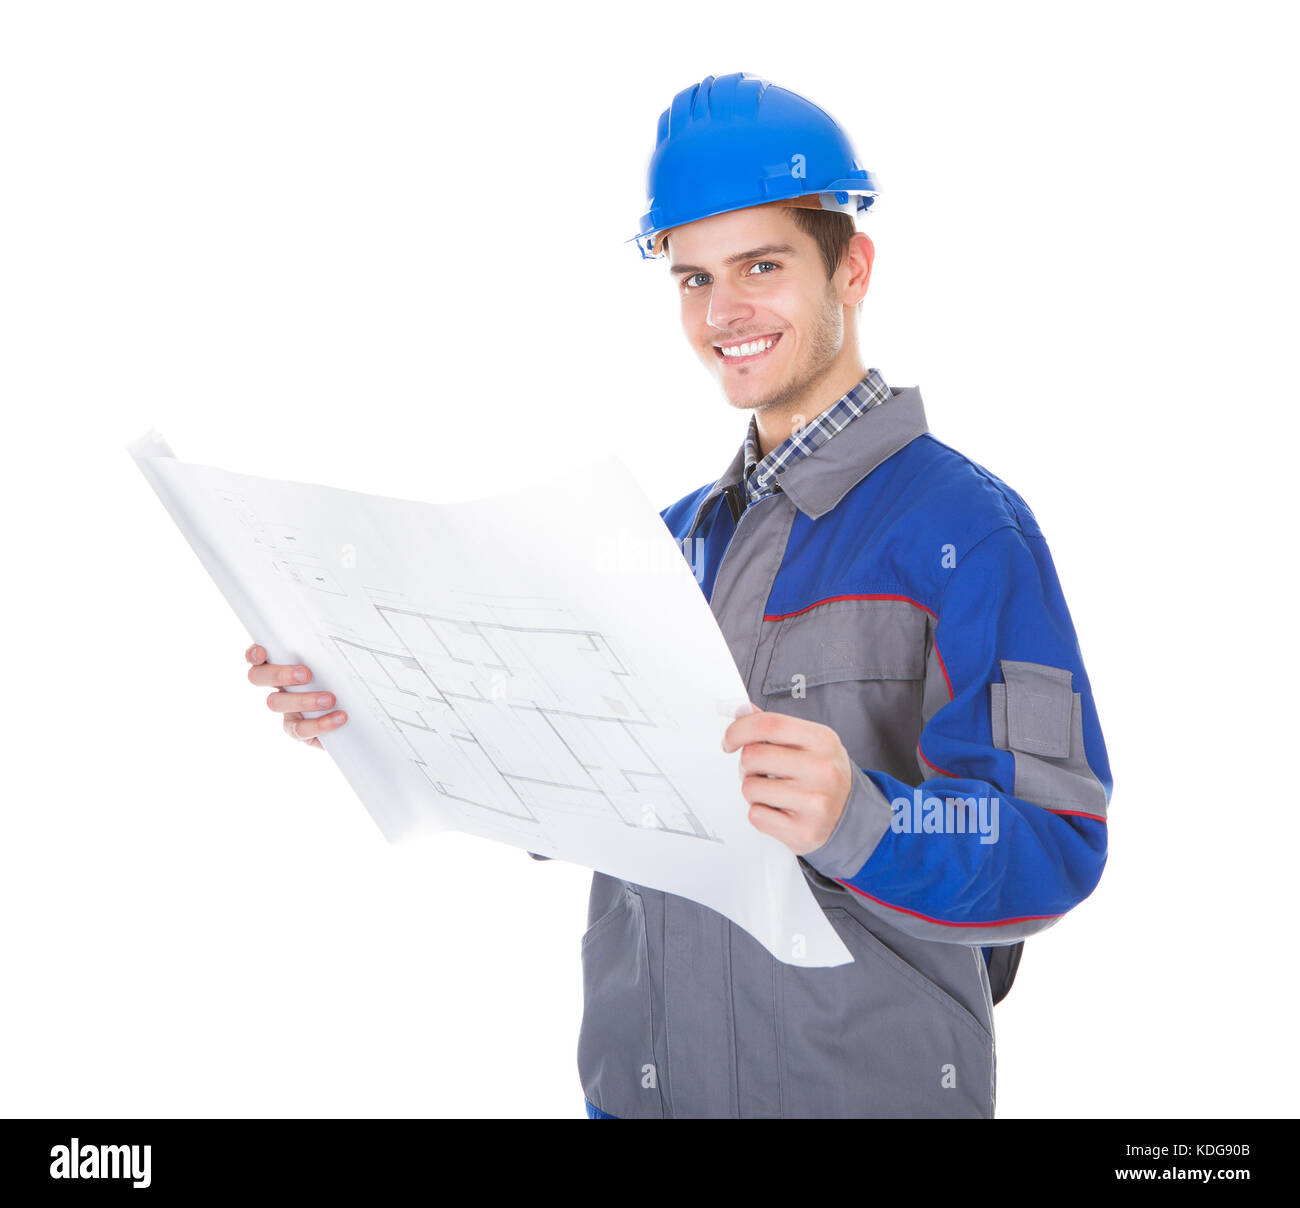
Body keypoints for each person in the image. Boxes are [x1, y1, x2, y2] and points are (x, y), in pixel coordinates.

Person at [245, 72, 1112, 1119]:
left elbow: (1053, 839)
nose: (723, 312)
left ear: (853, 267)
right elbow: (572, 787)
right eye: (692, 278)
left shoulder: (968, 532)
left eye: (761, 265)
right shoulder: (664, 540)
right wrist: (368, 709)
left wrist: (862, 818)